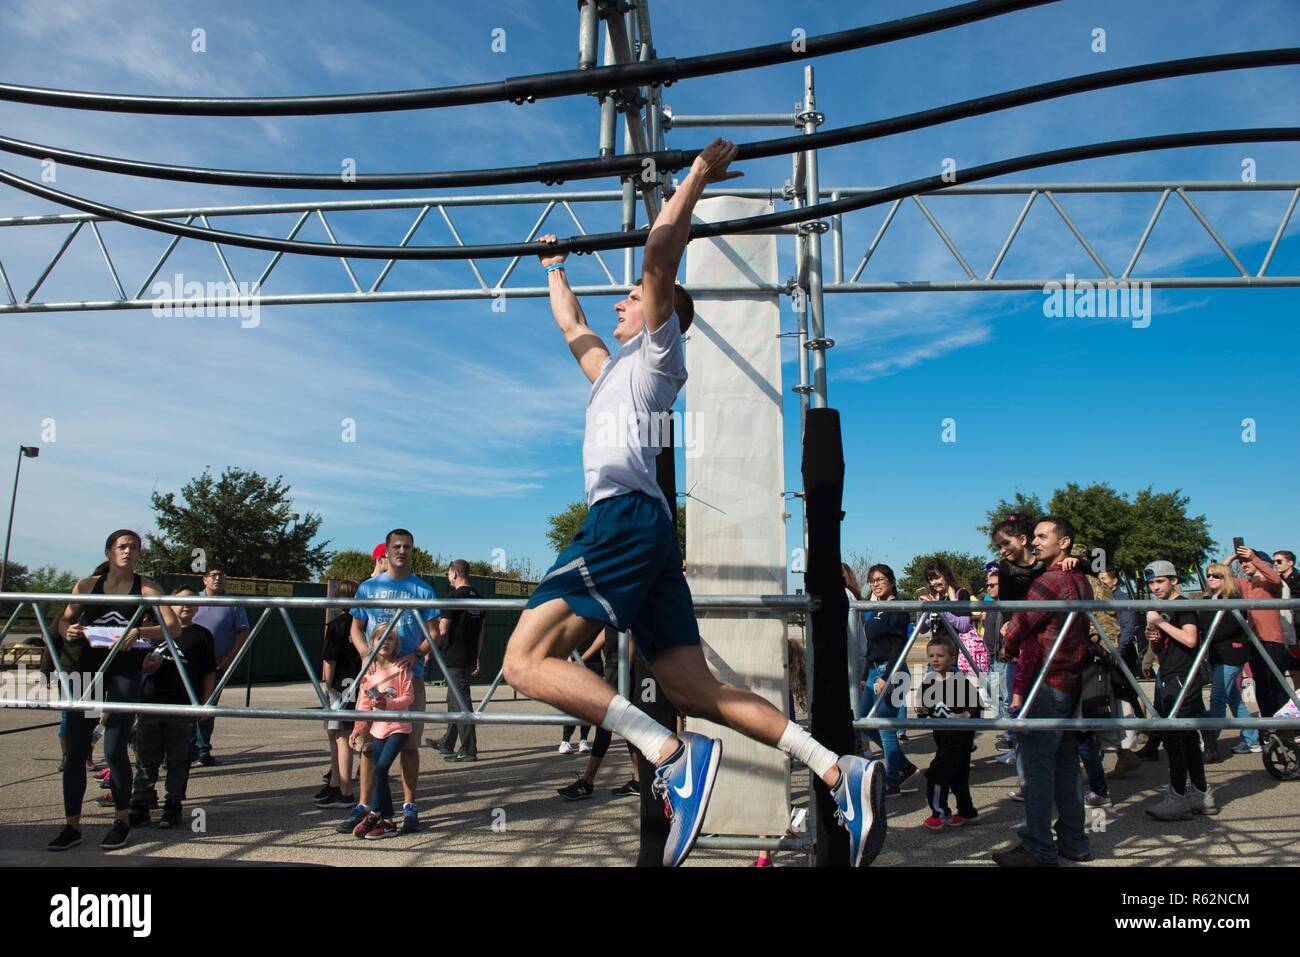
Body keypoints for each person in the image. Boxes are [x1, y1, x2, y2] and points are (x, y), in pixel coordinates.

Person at [500, 139, 883, 868]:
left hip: (621, 519)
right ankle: (838, 768)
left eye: (634, 297)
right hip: (645, 531)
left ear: (662, 311)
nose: (623, 300)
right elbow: (571, 326)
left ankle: (667, 751)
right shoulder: (610, 370)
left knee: (523, 659)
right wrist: (554, 268)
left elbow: (657, 255)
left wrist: (697, 178)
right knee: (691, 683)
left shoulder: (656, 357)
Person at [48, 530, 177, 852]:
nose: (128, 551)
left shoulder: (146, 587)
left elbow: (172, 627)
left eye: (134, 547)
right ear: (109, 552)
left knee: (116, 747)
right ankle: (72, 825)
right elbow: (62, 622)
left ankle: (121, 821)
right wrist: (70, 629)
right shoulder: (87, 586)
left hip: (123, 673)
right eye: (122, 546)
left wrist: (139, 630)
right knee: (76, 751)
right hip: (85, 673)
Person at [992, 516, 1093, 868]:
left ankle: (1038, 847)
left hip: (1046, 683)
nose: (1034, 541)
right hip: (1069, 682)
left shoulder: (1049, 582)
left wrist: (1008, 645)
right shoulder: (1079, 579)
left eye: (1041, 536)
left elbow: (1018, 626)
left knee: (1035, 766)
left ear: (1063, 543)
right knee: (1066, 765)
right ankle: (1074, 841)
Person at [340, 529, 439, 837]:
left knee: (409, 745)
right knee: (368, 745)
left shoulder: (422, 590)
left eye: (407, 547)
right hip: (374, 680)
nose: (402, 551)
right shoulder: (369, 588)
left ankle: (409, 807)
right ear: (387, 551)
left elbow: (434, 632)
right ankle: (365, 806)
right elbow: (356, 628)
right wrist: (365, 651)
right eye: (396, 546)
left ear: (413, 551)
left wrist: (417, 654)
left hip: (409, 680)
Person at [129, 587, 216, 829]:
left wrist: (205, 704)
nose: (186, 606)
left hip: (182, 706)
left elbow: (209, 673)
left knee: (178, 759)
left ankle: (173, 804)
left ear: (198, 607)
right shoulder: (155, 634)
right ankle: (141, 803)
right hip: (151, 703)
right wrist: (146, 667)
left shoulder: (202, 636)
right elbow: (137, 666)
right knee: (146, 758)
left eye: (191, 602)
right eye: (180, 602)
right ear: (168, 606)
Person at [1142, 561, 1217, 820]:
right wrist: (1156, 639)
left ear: (1173, 580)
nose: (1155, 587)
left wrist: (1160, 623)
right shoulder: (1163, 608)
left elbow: (1190, 639)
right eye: (1151, 583)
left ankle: (1178, 798)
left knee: (1175, 739)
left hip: (1183, 679)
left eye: (1160, 581)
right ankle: (1200, 793)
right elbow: (1170, 647)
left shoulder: (1182, 605)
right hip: (1171, 675)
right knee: (1186, 738)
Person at [556, 627, 645, 801]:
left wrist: (624, 674)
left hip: (621, 668)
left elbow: (630, 634)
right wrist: (583, 657)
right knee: (625, 726)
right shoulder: (612, 611)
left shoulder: (624, 604)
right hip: (614, 666)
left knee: (605, 725)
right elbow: (606, 632)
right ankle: (638, 780)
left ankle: (587, 782)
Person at [348, 628, 416, 840]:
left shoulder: (402, 669)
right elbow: (365, 705)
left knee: (381, 768)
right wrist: (358, 728)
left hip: (398, 727)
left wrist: (389, 703)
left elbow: (408, 698)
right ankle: (387, 823)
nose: (385, 643)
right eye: (381, 638)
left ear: (396, 644)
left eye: (390, 639)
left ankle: (374, 812)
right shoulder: (369, 674)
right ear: (372, 642)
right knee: (379, 772)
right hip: (378, 729)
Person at [858, 564, 915, 795]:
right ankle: (903, 764)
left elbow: (899, 644)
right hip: (873, 671)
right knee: (863, 722)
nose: (876, 584)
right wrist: (865, 676)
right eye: (872, 580)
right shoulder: (876, 609)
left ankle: (893, 780)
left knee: (885, 728)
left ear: (891, 581)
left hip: (893, 671)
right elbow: (871, 646)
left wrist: (886, 675)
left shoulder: (897, 608)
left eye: (880, 579)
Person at [190, 565, 250, 767]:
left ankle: (202, 749)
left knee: (208, 706)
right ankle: (183, 748)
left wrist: (230, 657)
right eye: (213, 575)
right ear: (204, 579)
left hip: (217, 664)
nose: (217, 579)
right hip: (189, 663)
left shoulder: (233, 603)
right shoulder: (192, 599)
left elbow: (243, 632)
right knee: (186, 704)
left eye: (221, 575)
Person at [918, 639, 979, 828]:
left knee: (935, 775)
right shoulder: (929, 682)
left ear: (953, 658)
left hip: (959, 739)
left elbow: (977, 706)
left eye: (940, 655)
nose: (935, 660)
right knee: (958, 778)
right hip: (943, 739)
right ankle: (967, 812)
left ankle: (939, 813)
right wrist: (921, 710)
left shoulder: (961, 682)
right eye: (931, 656)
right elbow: (923, 709)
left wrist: (967, 713)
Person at [1199, 563, 1257, 761]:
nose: (1211, 578)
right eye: (1209, 575)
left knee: (1218, 697)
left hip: (1231, 655)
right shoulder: (1208, 599)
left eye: (1216, 575)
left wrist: (1209, 633)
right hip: (1217, 654)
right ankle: (1252, 738)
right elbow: (1204, 624)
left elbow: (1230, 627)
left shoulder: (1233, 598)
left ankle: (1210, 741)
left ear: (1225, 578)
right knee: (1234, 699)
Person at [1228, 545, 1291, 724]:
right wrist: (1232, 558)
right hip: (1254, 641)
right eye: (1242, 562)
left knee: (1277, 685)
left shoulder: (1270, 584)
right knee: (1262, 686)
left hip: (1273, 640)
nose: (1244, 564)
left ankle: (1285, 726)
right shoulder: (1245, 584)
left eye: (1247, 561)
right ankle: (1268, 726)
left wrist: (1253, 557)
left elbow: (1276, 579)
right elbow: (1221, 578)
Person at [432, 559, 485, 762]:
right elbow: (481, 632)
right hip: (469, 655)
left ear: (454, 573)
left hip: (454, 656)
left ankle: (469, 749)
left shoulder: (453, 597)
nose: (448, 577)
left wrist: (428, 648)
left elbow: (443, 629)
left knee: (461, 702)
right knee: (453, 699)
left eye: (448, 574)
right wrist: (477, 657)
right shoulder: (479, 599)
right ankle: (447, 741)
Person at [316, 580, 361, 808]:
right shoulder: (362, 623)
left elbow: (329, 659)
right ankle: (335, 784)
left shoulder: (336, 625)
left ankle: (345, 791)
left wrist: (327, 684)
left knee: (340, 737)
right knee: (337, 736)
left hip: (340, 688)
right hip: (356, 684)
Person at [1096, 568, 1144, 778]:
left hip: (1119, 656)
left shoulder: (1120, 599)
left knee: (1123, 699)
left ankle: (1126, 750)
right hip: (1107, 656)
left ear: (1114, 581)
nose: (1101, 582)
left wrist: (1116, 650)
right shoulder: (1099, 598)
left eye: (1104, 579)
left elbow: (1128, 626)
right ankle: (1122, 754)